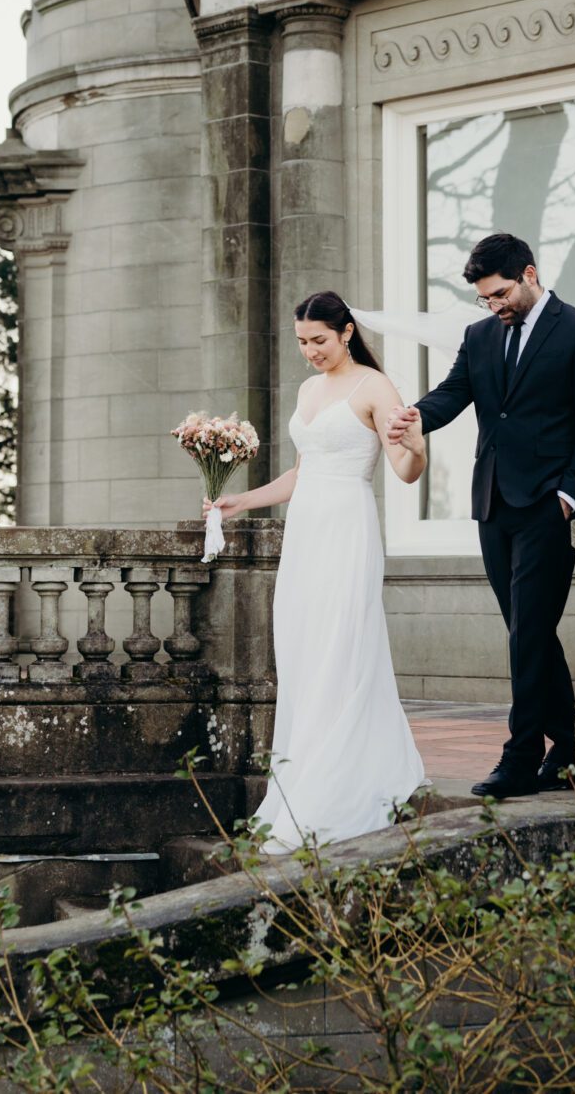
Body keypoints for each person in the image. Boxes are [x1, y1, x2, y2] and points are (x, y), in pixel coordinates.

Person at [388, 234, 575, 800]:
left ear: (530, 274)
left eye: (501, 293)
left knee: (530, 632)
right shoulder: (479, 335)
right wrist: (415, 416)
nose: (495, 306)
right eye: (485, 299)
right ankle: (568, 747)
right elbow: (454, 392)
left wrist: (571, 495)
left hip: (548, 505)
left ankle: (520, 758)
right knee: (527, 630)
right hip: (492, 502)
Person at [206, 290, 427, 854]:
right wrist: (241, 501)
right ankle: (304, 776)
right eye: (302, 341)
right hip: (305, 533)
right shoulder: (308, 389)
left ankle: (341, 782)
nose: (310, 352)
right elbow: (302, 473)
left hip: (348, 529)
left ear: (346, 332)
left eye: (319, 341)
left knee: (341, 645)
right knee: (304, 648)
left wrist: (417, 447)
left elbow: (403, 470)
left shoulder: (374, 387)